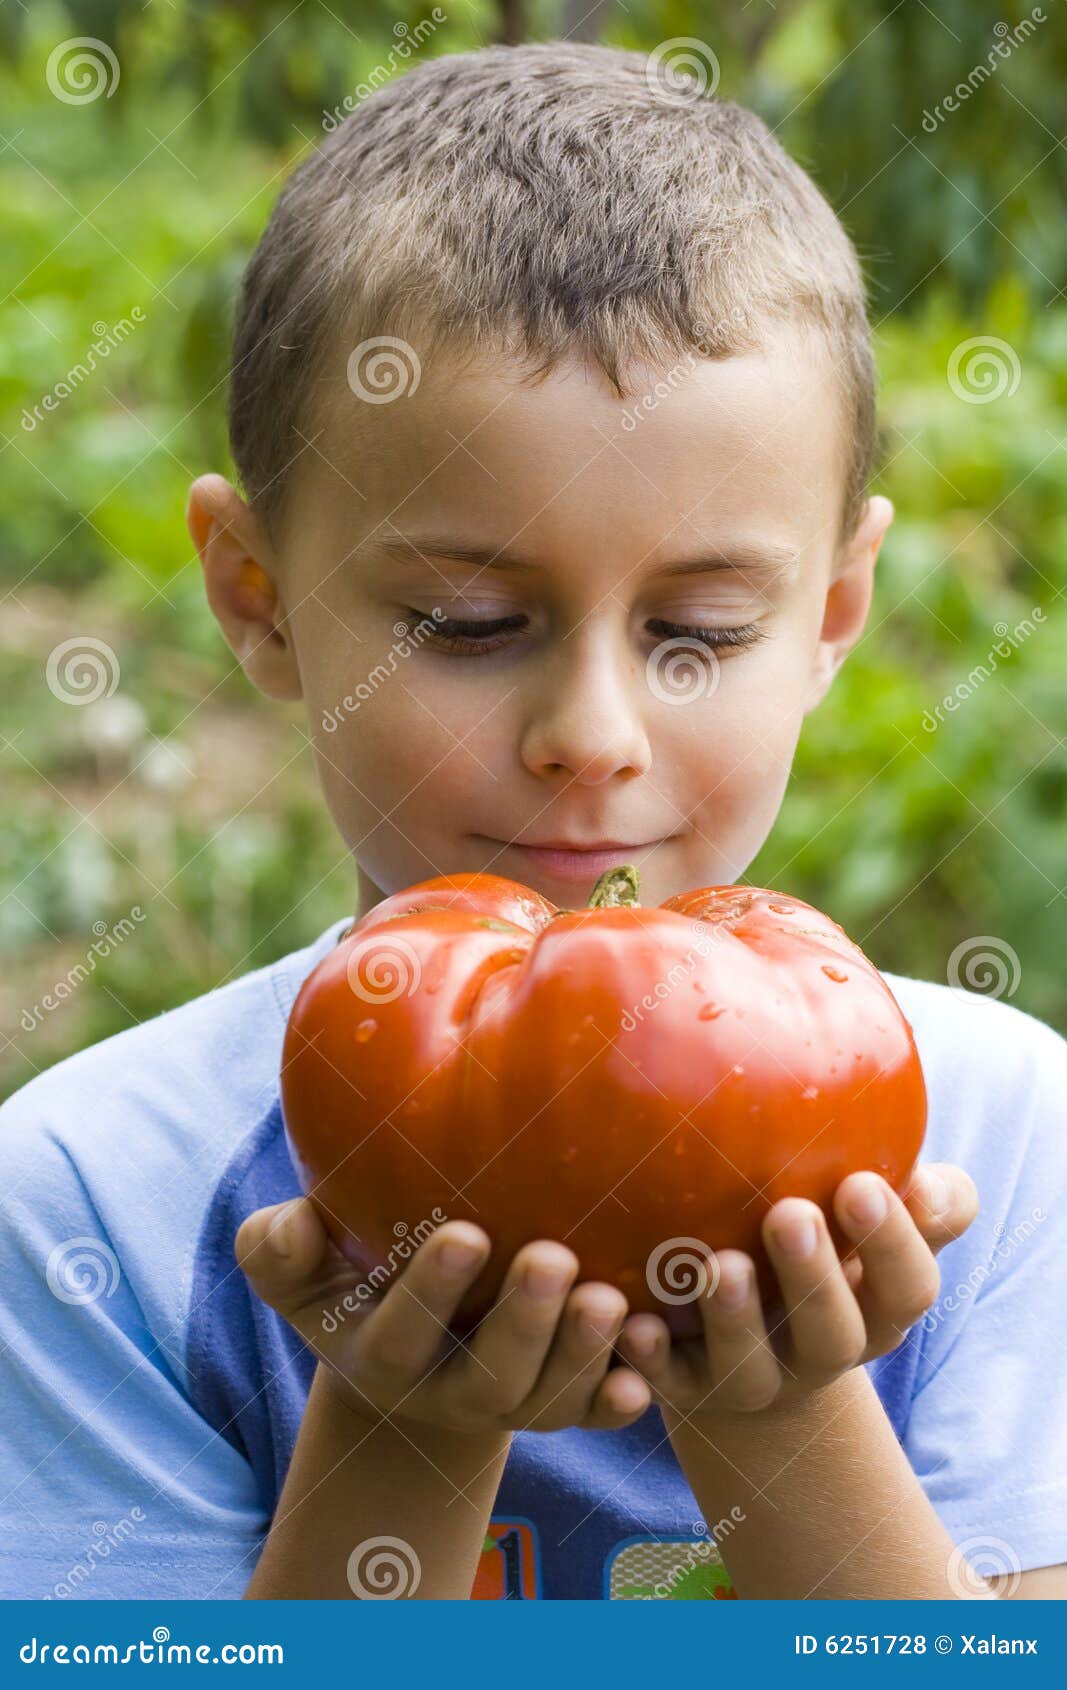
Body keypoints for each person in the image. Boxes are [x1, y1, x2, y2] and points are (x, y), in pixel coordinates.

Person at [2, 41, 1064, 1602]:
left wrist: (781, 1417)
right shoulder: (92, 1214)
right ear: (259, 597)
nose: (590, 738)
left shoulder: (1000, 1148)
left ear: (835, 607)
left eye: (698, 628)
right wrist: (394, 1429)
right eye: (468, 619)